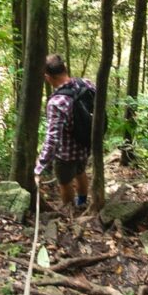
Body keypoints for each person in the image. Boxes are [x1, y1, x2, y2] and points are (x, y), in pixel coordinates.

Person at [34, 54, 95, 210]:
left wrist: (40, 165)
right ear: (65, 68)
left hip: (66, 154)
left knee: (65, 181)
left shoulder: (56, 102)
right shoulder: (87, 84)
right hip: (86, 144)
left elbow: (53, 138)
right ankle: (82, 203)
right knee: (81, 172)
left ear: (47, 77)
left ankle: (69, 211)